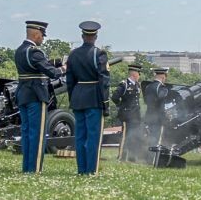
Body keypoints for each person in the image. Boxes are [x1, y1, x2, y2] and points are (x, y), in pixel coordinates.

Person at [14, 20, 65, 174]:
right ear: (36, 34)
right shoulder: (35, 52)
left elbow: (36, 67)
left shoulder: (19, 50)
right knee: (37, 133)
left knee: (27, 131)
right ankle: (35, 168)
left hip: (23, 94)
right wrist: (64, 68)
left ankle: (27, 167)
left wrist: (50, 63)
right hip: (36, 95)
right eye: (42, 35)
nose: (43, 38)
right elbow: (53, 73)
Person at [65, 20, 110, 175]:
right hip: (93, 98)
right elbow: (104, 81)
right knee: (93, 136)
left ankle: (81, 169)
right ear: (95, 36)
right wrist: (106, 103)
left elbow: (69, 81)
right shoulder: (99, 54)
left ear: (82, 36)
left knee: (80, 136)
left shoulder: (73, 54)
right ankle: (91, 170)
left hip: (78, 96)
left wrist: (73, 98)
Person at [111, 64, 142, 162]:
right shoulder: (124, 84)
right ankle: (122, 157)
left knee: (134, 136)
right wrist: (121, 106)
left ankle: (132, 157)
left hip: (135, 116)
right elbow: (115, 97)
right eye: (138, 73)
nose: (139, 75)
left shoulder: (137, 85)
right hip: (127, 116)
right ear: (134, 74)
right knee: (125, 136)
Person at [142, 67, 170, 150]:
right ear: (163, 77)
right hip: (158, 118)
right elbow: (161, 104)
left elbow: (146, 101)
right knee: (157, 139)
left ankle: (148, 156)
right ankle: (153, 158)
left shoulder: (148, 87)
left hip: (149, 115)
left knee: (150, 137)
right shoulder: (162, 88)